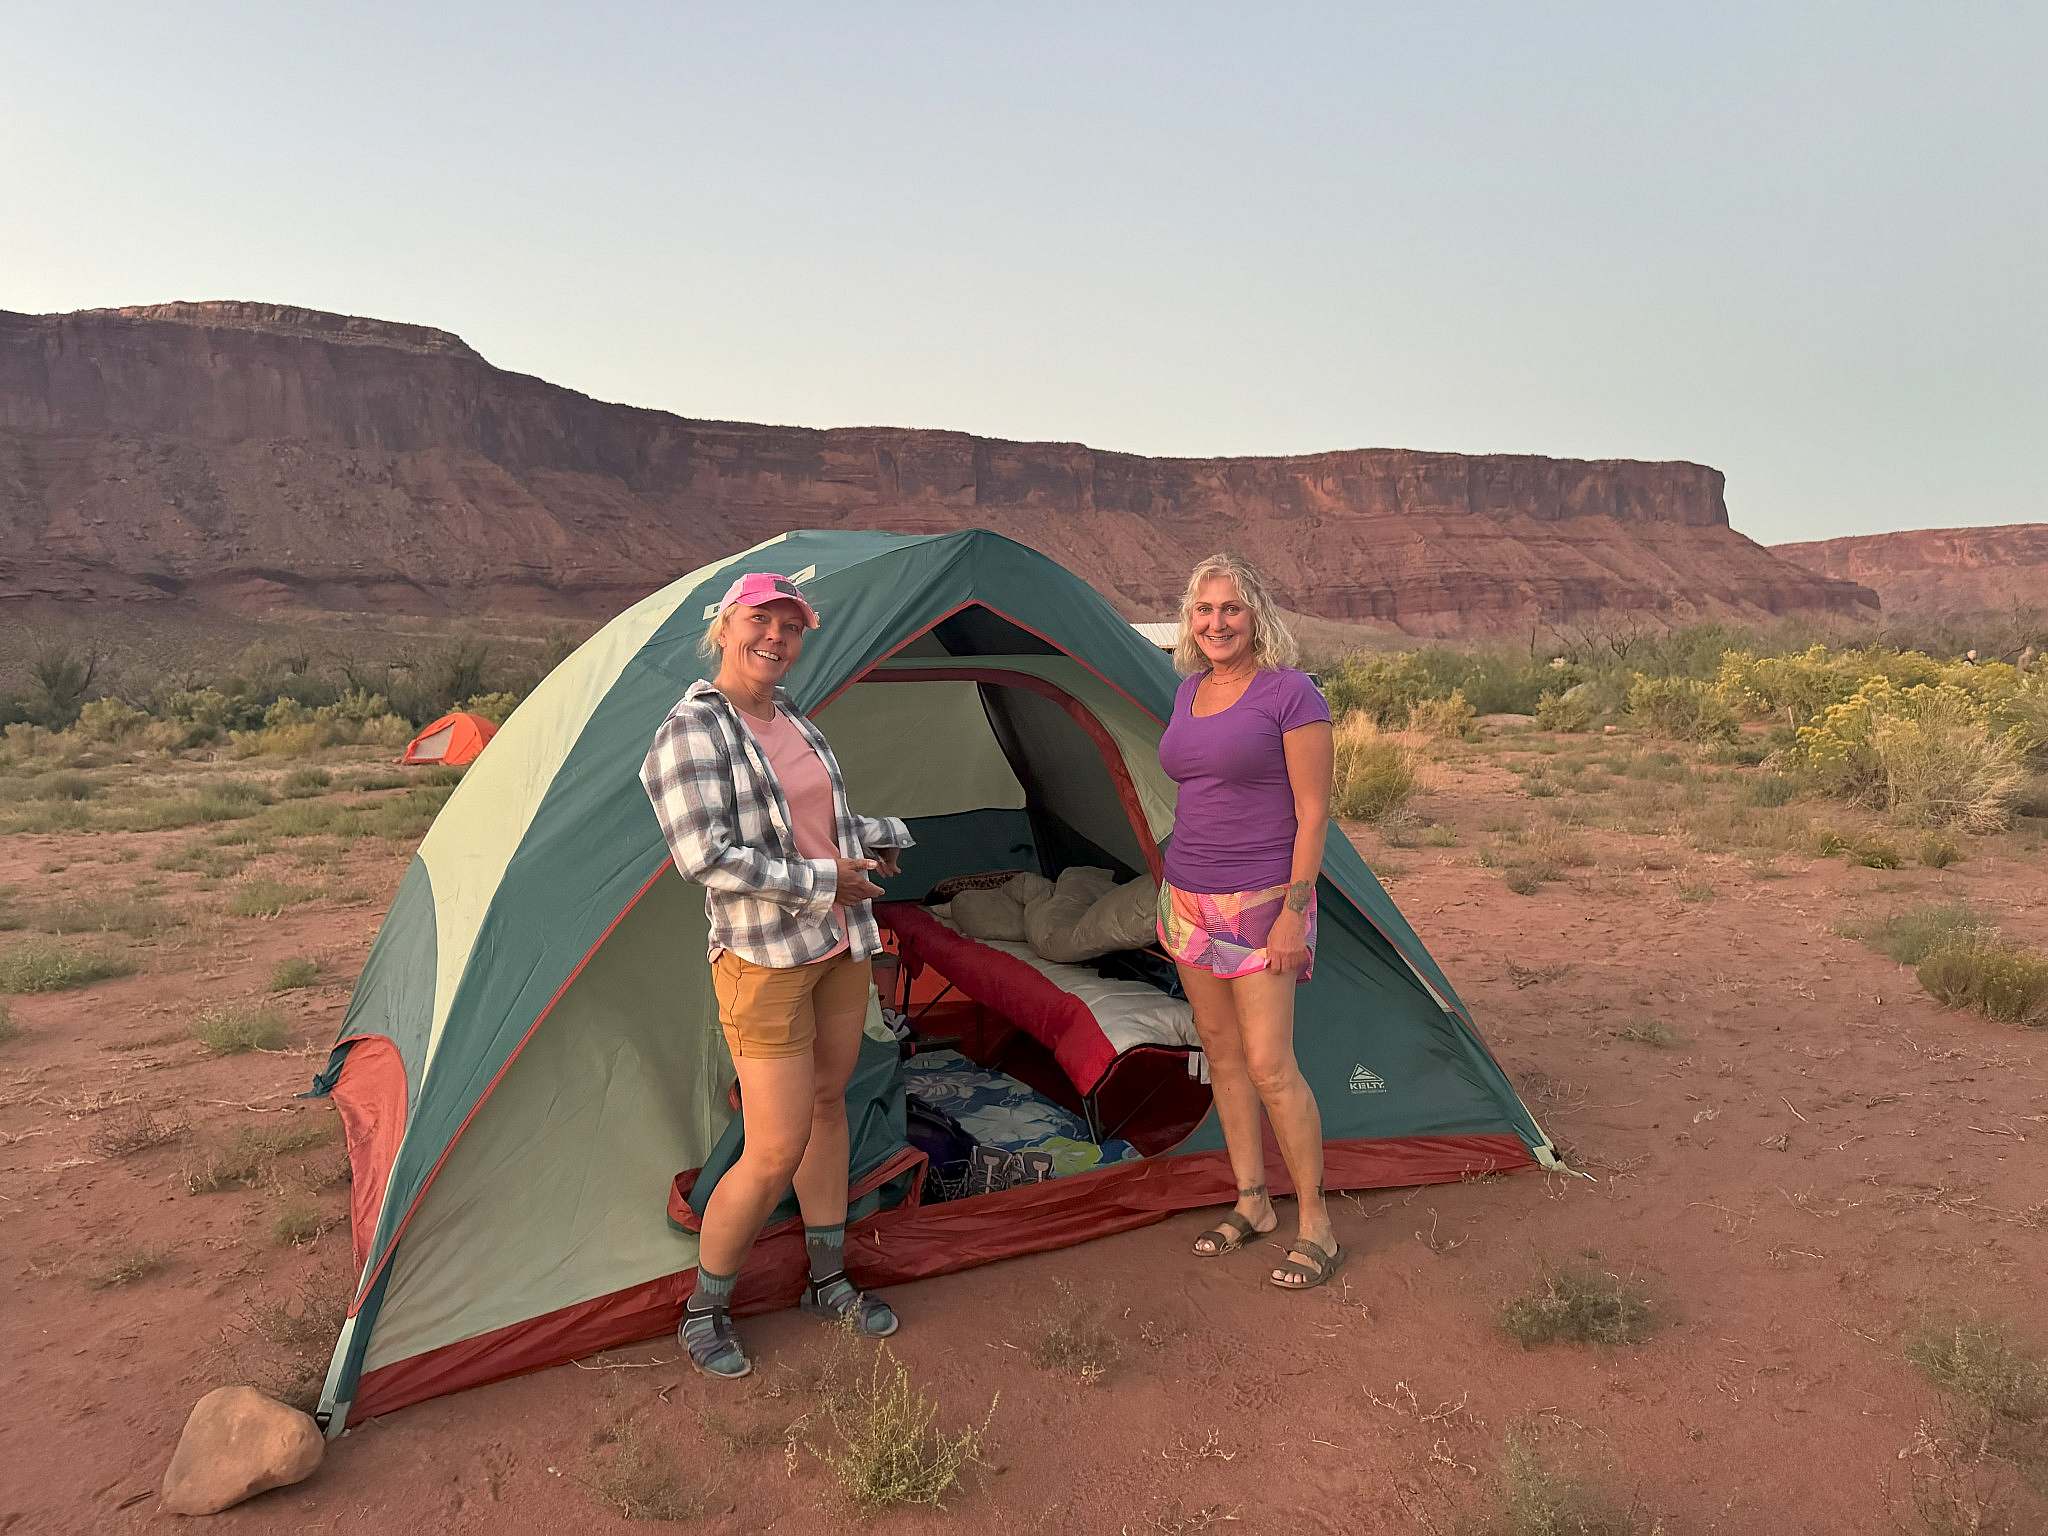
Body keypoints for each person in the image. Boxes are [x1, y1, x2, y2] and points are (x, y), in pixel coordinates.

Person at [640, 570, 914, 1379]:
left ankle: (827, 1276)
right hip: (763, 961)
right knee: (773, 1145)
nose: (778, 639)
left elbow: (814, 824)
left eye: (792, 628)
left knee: (830, 1105)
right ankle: (704, 1308)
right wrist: (830, 881)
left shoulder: (790, 715)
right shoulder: (692, 731)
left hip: (835, 948)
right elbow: (705, 857)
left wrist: (879, 841)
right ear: (724, 626)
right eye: (762, 621)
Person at [1156, 553, 1340, 1290]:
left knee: (1270, 1065)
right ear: (1189, 621)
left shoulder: (1291, 694)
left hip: (1262, 903)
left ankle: (1317, 1222)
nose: (1216, 623)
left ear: (1255, 615)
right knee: (1222, 1057)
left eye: (1231, 609)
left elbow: (1315, 813)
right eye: (1204, 610)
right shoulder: (1189, 692)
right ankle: (1252, 1201)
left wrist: (1294, 915)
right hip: (1188, 898)